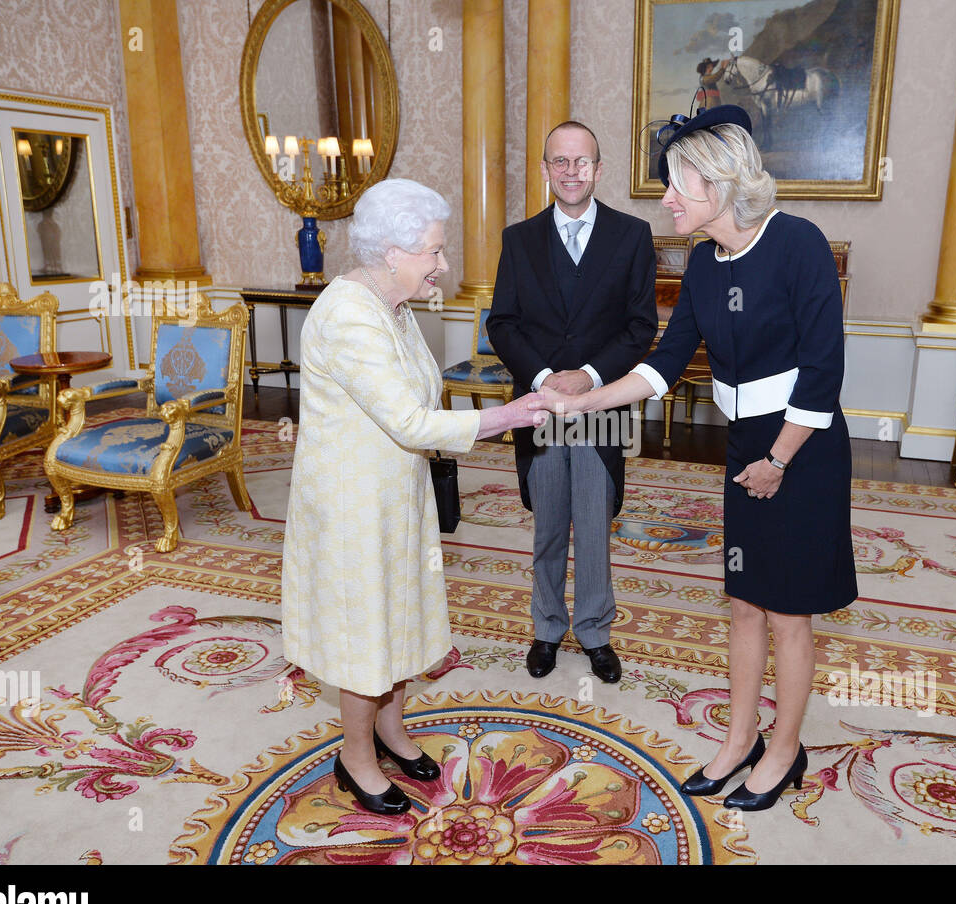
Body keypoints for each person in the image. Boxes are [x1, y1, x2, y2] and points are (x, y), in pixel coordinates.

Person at [540, 106, 857, 811]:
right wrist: (583, 398)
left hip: (802, 450)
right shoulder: (706, 267)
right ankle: (739, 738)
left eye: (676, 184)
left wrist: (779, 456)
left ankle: (784, 748)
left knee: (789, 614)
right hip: (747, 448)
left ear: (717, 182)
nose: (666, 200)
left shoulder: (797, 243)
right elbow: (662, 365)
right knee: (745, 601)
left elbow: (823, 369)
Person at [281, 178, 549, 816]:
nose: (443, 264)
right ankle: (356, 758)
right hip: (352, 504)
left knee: (400, 611)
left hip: (395, 491)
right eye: (434, 251)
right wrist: (506, 417)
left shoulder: (395, 308)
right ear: (394, 252)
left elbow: (419, 404)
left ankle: (393, 730)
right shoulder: (349, 313)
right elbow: (410, 421)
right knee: (362, 629)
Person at [486, 120, 659, 684]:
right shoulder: (518, 239)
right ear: (544, 170)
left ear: (598, 169)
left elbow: (640, 328)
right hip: (537, 406)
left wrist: (586, 377)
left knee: (593, 521)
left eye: (580, 161)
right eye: (558, 161)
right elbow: (503, 323)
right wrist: (542, 379)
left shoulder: (632, 236)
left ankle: (595, 632)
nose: (569, 171)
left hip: (601, 406)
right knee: (548, 523)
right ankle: (545, 627)